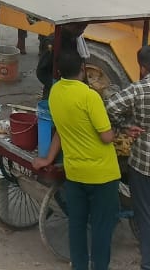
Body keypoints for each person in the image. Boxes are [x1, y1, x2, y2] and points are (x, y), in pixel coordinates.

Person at [35, 46, 121, 270]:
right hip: (102, 175)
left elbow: (60, 131)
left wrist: (48, 158)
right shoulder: (90, 96)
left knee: (77, 225)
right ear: (83, 69)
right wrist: (119, 130)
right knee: (102, 228)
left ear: (59, 71)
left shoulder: (55, 92)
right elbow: (106, 137)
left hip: (74, 174)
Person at [105, 46, 150, 270]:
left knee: (145, 213)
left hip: (143, 162)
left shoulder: (138, 89)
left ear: (142, 67)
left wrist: (125, 125)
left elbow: (109, 107)